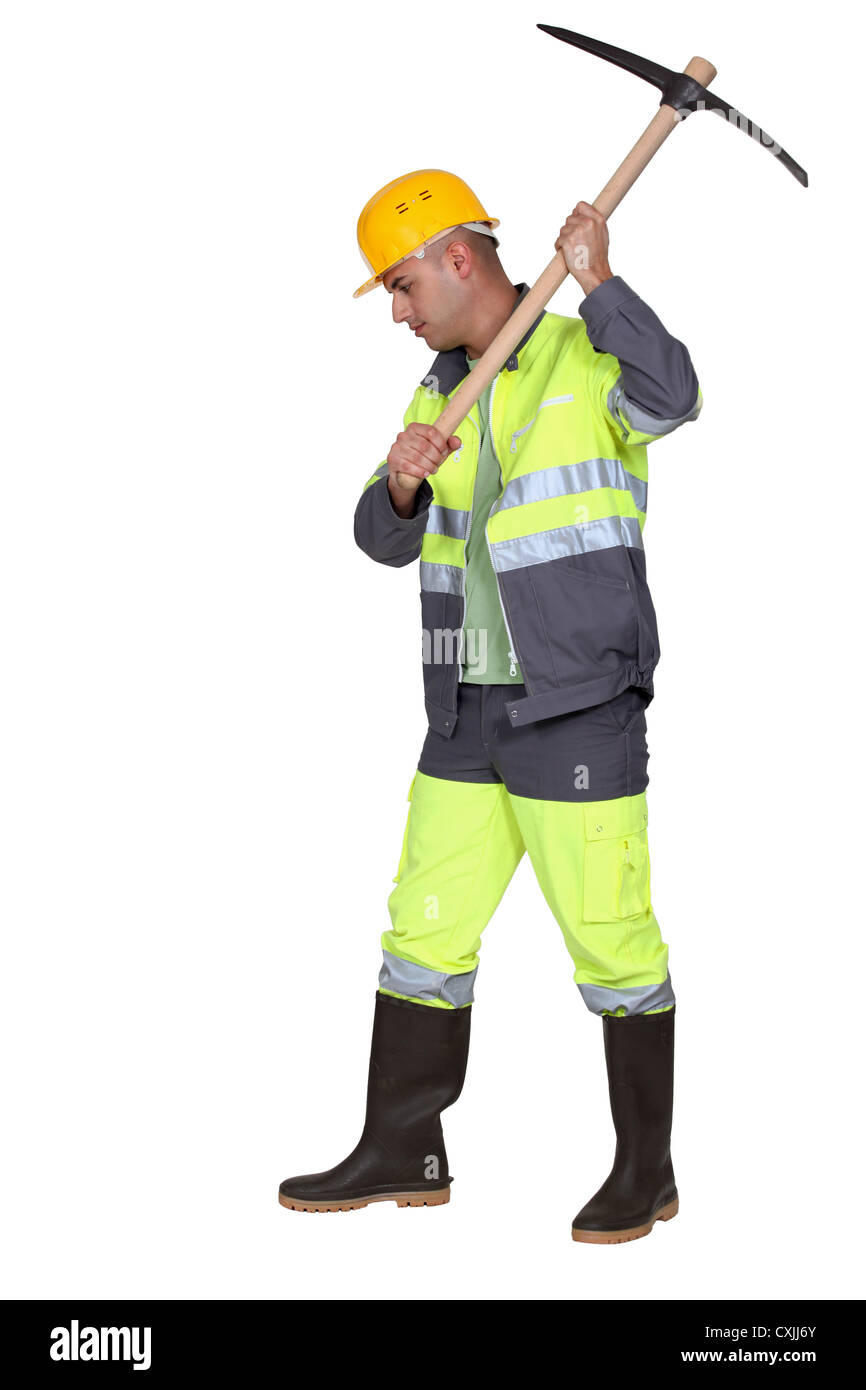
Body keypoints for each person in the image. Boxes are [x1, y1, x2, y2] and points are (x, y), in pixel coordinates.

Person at [279, 169, 702, 1242]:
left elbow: (672, 395)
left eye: (403, 284)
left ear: (457, 258)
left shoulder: (575, 352)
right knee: (421, 930)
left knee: (611, 940)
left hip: (573, 699)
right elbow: (380, 540)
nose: (399, 312)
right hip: (462, 704)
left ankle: (644, 1170)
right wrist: (402, 485)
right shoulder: (436, 390)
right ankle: (402, 1145)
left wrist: (601, 283)